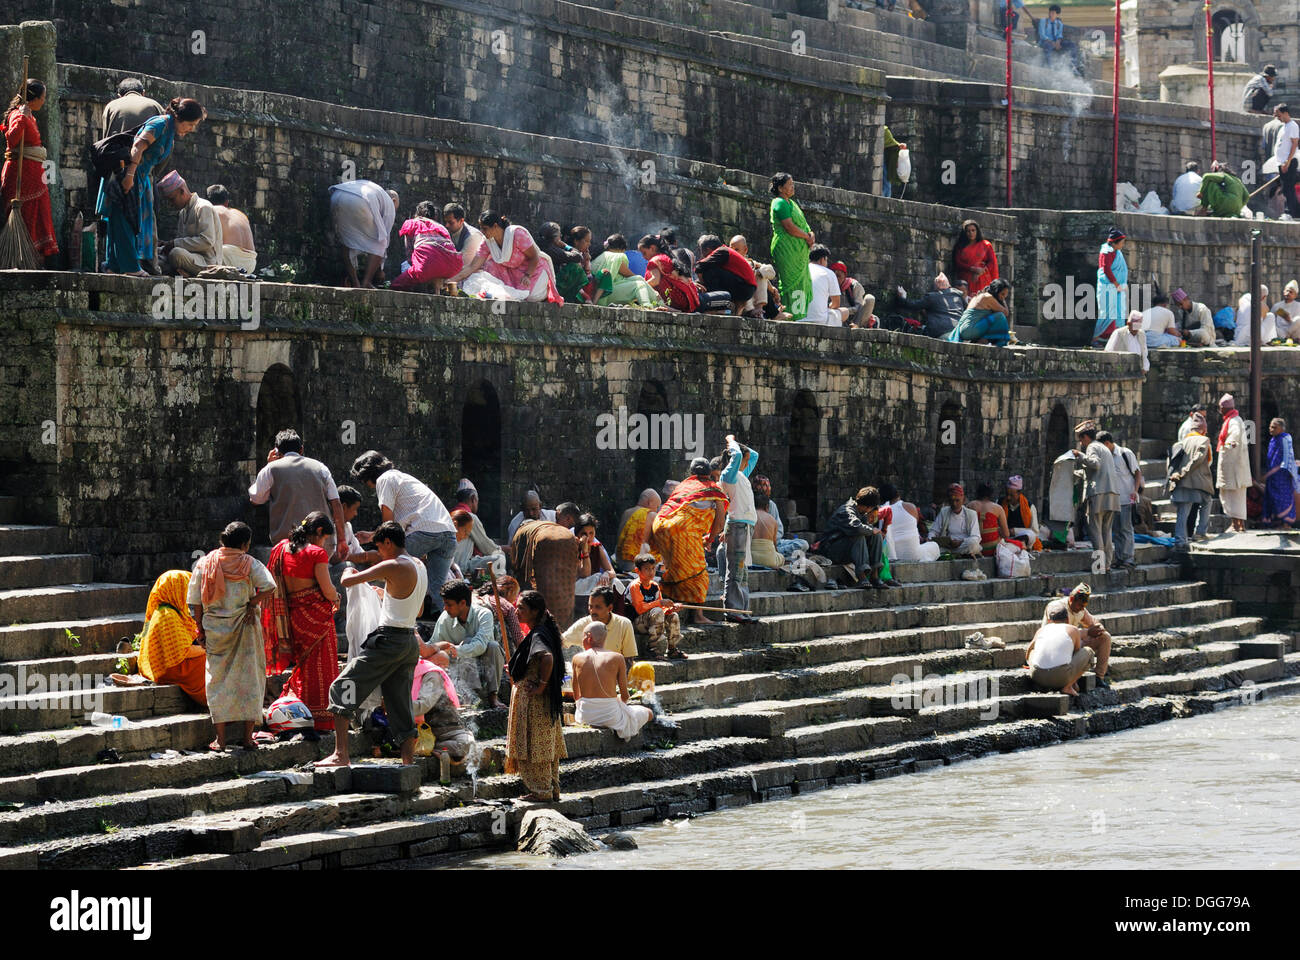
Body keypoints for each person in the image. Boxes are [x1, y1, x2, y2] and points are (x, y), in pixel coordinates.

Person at [318, 521, 424, 768]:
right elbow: (416, 609)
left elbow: (347, 582)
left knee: (341, 687)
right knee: (400, 704)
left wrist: (347, 570)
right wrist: (385, 595)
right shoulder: (419, 565)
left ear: (388, 542)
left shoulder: (393, 564)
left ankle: (340, 754)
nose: (379, 553)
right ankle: (408, 763)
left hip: (389, 641)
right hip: (409, 641)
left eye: (379, 547)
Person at [189, 521, 276, 750]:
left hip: (214, 629)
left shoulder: (204, 564)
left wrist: (200, 628)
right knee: (250, 679)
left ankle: (220, 739)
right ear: (245, 544)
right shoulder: (249, 563)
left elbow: (196, 601)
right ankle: (248, 738)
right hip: (245, 628)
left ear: (222, 541)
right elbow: (270, 587)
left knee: (216, 681)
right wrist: (251, 604)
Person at [98, 97, 205, 276]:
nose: (191, 129)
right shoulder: (161, 123)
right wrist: (130, 176)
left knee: (127, 220)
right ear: (180, 118)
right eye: (191, 124)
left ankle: (113, 266)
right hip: (129, 174)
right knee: (125, 220)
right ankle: (130, 267)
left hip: (140, 178)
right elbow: (138, 146)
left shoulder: (170, 130)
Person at [350, 450, 458, 616]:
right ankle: (451, 625)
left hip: (424, 532)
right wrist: (372, 535)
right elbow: (396, 526)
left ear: (367, 476)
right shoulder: (402, 477)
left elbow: (389, 528)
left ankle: (386, 614)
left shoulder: (384, 479)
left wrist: (375, 552)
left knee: (389, 564)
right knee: (439, 589)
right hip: (448, 533)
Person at [263, 511, 341, 732]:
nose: (324, 543)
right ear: (318, 532)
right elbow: (327, 590)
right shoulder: (317, 553)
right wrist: (337, 598)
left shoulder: (281, 549)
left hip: (293, 618)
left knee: (304, 667)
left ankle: (300, 711)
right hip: (317, 618)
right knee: (322, 668)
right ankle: (322, 719)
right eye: (325, 537)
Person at [650, 458, 729, 623]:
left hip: (660, 525)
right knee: (699, 573)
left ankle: (666, 609)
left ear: (692, 473)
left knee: (674, 570)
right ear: (709, 474)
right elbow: (720, 521)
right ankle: (698, 616)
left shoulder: (683, 485)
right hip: (682, 530)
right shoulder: (713, 488)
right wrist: (710, 540)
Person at [504, 590, 567, 801]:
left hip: (534, 701)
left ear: (535, 611)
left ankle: (541, 792)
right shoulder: (542, 631)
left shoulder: (539, 634)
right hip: (542, 701)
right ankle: (551, 789)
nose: (516, 610)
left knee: (535, 747)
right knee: (544, 746)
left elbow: (547, 658)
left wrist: (540, 685)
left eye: (521, 607)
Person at [422, 578, 505, 708]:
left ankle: (493, 696)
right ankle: (468, 696)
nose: (445, 608)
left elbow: (481, 645)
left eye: (449, 604)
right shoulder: (445, 618)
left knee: (493, 646)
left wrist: (455, 649)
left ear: (462, 603)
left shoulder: (484, 614)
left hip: (484, 662)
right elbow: (434, 642)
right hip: (460, 670)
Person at [2, 79, 58, 263]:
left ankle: (34, 258)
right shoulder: (19, 115)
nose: (44, 100)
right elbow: (12, 140)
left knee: (39, 213)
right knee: (27, 213)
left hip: (33, 174)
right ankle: (20, 258)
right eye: (43, 97)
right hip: (22, 175)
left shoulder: (29, 114)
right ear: (33, 98)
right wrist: (23, 118)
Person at [571, 621, 653, 740]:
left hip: (585, 716)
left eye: (583, 636)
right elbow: (625, 696)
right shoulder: (617, 657)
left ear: (589, 637)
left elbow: (576, 696)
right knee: (649, 712)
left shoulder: (576, 658)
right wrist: (617, 702)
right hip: (611, 717)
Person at [136, 569, 206, 705]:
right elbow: (185, 653)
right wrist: (209, 651)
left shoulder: (168, 610)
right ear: (175, 590)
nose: (189, 595)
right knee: (213, 663)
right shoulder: (167, 615)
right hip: (169, 668)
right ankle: (222, 704)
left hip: (170, 664)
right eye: (185, 589)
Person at [463, 211, 562, 302]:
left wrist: (528, 275)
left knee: (530, 297)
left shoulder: (516, 234)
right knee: (489, 265)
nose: (482, 232)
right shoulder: (488, 241)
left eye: (484, 228)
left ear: (495, 226)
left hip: (533, 269)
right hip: (512, 273)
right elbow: (473, 266)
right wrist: (453, 280)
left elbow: (534, 256)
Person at [713, 435, 760, 623]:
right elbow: (739, 456)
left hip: (746, 528)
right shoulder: (728, 475)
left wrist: (738, 447)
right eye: (743, 459)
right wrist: (731, 441)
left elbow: (754, 455)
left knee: (743, 572)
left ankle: (742, 610)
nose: (746, 462)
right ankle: (733, 610)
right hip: (738, 526)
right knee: (735, 570)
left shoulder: (740, 475)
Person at [512, 512, 580, 631]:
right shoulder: (565, 533)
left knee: (544, 590)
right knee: (566, 590)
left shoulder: (522, 533)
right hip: (567, 541)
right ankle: (564, 631)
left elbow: (518, 566)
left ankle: (543, 628)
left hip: (543, 545)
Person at [818, 486, 894, 589]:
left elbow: (867, 528)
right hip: (831, 551)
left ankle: (874, 576)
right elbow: (856, 528)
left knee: (876, 536)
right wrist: (871, 530)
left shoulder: (861, 512)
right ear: (868, 507)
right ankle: (862, 577)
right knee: (859, 535)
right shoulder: (846, 511)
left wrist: (874, 532)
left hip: (847, 550)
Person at [329, 179, 397, 288]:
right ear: (394, 201)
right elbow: (383, 240)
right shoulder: (390, 205)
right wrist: (380, 270)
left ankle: (354, 282)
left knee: (346, 242)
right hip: (361, 200)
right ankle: (365, 283)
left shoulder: (378, 192)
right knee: (380, 244)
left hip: (337, 196)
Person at [1041, 583, 1112, 685]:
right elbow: (1060, 634)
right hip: (1054, 648)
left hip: (1071, 645)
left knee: (1105, 637)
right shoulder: (1057, 607)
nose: (1082, 608)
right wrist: (1087, 632)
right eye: (1080, 605)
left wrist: (1099, 628)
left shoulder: (1080, 609)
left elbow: (1093, 622)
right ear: (1071, 599)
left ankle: (1099, 677)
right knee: (1086, 650)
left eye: (1084, 606)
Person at [1073, 421, 1119, 572]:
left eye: (1081, 439)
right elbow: (1097, 471)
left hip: (1098, 494)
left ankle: (1099, 565)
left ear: (1086, 437)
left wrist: (1079, 455)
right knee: (1106, 530)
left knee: (1095, 530)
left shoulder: (1092, 447)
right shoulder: (1104, 448)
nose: (1081, 443)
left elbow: (1095, 464)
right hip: (1112, 493)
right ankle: (1107, 564)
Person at [156, 172, 222, 276]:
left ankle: (184, 272)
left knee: (175, 254)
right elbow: (182, 241)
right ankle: (181, 271)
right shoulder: (183, 212)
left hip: (207, 262)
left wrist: (174, 244)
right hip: (190, 257)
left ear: (182, 191)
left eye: (172, 199)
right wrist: (166, 245)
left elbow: (207, 241)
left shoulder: (203, 207)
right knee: (155, 255)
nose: (171, 204)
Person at [769, 172, 815, 321]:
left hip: (799, 251)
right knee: (790, 283)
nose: (793, 186)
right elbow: (789, 226)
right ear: (781, 188)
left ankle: (799, 316)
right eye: (790, 184)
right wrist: (807, 237)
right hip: (786, 249)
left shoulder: (792, 203)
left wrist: (811, 233)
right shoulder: (779, 202)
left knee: (801, 283)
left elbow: (804, 224)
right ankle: (789, 316)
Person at [1026, 602, 1096, 696]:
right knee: (1088, 652)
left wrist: (1032, 664)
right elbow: (1076, 653)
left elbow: (1028, 652)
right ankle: (1068, 686)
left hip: (1036, 676)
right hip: (1060, 677)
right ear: (1067, 619)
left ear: (1050, 620)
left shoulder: (1041, 630)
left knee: (1033, 651)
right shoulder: (1073, 629)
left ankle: (1043, 684)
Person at [391, 199, 462, 293]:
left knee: (395, 286)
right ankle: (436, 290)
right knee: (433, 273)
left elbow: (409, 254)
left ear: (417, 214)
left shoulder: (412, 223)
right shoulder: (441, 227)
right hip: (454, 265)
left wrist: (420, 273)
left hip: (428, 265)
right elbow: (447, 248)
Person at [628, 553, 685, 659]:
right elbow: (640, 609)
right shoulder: (635, 586)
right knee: (657, 611)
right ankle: (652, 649)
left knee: (673, 615)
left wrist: (671, 608)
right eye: (647, 569)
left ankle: (672, 649)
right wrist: (660, 603)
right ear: (638, 571)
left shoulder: (654, 586)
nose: (651, 572)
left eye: (653, 568)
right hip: (637, 622)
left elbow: (662, 609)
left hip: (652, 619)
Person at [1168, 413, 1213, 545]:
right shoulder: (1204, 440)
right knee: (1207, 501)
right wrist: (1185, 471)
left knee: (1183, 511)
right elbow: (1198, 459)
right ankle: (1200, 533)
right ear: (1203, 430)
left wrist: (1177, 475)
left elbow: (1171, 462)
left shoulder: (1180, 443)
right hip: (1199, 482)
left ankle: (1180, 541)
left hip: (1182, 482)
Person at [561, 586, 638, 659]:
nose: (592, 611)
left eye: (598, 607)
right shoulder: (583, 624)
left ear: (610, 608)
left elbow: (629, 658)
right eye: (590, 606)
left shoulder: (624, 624)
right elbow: (562, 641)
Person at [1102, 431, 1141, 569]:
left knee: (1126, 529)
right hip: (1112, 499)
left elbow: (1137, 473)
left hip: (1126, 497)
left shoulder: (1125, 453)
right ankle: (1119, 558)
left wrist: (1135, 491)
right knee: (1116, 529)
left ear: (1107, 443)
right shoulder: (1105, 456)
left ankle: (1128, 559)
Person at [591, 234, 662, 308]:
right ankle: (648, 306)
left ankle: (659, 303)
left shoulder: (600, 256)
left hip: (598, 294)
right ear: (622, 250)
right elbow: (631, 276)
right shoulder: (617, 257)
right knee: (639, 284)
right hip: (605, 295)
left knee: (639, 279)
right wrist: (653, 292)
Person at [879, 483, 940, 563]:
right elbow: (915, 526)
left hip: (891, 554)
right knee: (934, 545)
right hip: (913, 555)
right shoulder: (910, 507)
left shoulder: (880, 512)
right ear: (898, 494)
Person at [697, 234, 757, 314]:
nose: (703, 256)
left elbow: (699, 266)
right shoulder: (725, 251)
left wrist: (702, 284)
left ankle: (715, 303)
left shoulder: (722, 251)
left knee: (709, 271)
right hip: (747, 288)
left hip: (745, 287)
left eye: (703, 253)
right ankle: (725, 305)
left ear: (708, 250)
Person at [1216, 394, 1251, 532]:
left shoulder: (1234, 421)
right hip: (1234, 466)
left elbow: (1234, 437)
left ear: (1224, 408)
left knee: (1232, 496)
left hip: (1233, 467)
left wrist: (1228, 445)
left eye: (1220, 408)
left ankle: (1236, 524)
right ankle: (1238, 524)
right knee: (1235, 496)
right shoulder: (1233, 419)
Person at [205, 184, 257, 273]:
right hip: (251, 262)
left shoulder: (212, 210)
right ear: (227, 202)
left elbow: (205, 240)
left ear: (208, 202)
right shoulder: (241, 214)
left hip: (230, 260)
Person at [946, 279, 1012, 346]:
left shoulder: (981, 296)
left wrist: (1002, 297)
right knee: (1000, 316)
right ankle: (995, 342)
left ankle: (983, 340)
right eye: (1002, 294)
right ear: (996, 291)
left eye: (1005, 295)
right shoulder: (987, 297)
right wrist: (1003, 300)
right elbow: (1005, 313)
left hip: (965, 330)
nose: (1003, 297)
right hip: (969, 330)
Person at [898, 272, 964, 338]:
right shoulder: (958, 295)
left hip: (939, 331)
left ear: (936, 286)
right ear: (949, 285)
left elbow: (914, 305)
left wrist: (902, 298)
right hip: (958, 330)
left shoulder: (932, 297)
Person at [730, 234, 781, 319]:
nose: (734, 252)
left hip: (753, 301)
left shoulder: (751, 263)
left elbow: (771, 273)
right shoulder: (729, 262)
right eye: (732, 249)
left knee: (761, 272)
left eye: (737, 250)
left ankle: (759, 309)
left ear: (745, 250)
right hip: (741, 303)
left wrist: (772, 289)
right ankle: (754, 311)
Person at [1262, 418, 1298, 528]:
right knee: (1272, 498)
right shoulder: (1273, 440)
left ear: (1282, 429)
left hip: (1282, 475)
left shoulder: (1285, 438)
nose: (1271, 429)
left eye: (1274, 427)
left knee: (1283, 498)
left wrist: (1271, 473)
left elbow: (1286, 458)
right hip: (1272, 476)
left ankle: (1287, 524)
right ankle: (1278, 523)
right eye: (1270, 426)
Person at [539, 221, 588, 304]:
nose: (561, 236)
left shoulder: (537, 244)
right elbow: (578, 257)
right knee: (575, 268)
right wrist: (565, 246)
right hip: (547, 287)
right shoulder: (552, 249)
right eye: (559, 235)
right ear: (554, 237)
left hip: (538, 284)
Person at [928, 483, 981, 557]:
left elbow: (976, 537)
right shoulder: (944, 512)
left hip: (964, 545)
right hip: (947, 547)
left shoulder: (971, 514)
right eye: (951, 501)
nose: (954, 504)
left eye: (957, 500)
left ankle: (954, 554)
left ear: (963, 499)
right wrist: (930, 539)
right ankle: (958, 554)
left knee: (973, 544)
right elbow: (934, 531)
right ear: (948, 500)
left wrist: (961, 541)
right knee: (931, 547)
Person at [615, 488, 662, 571]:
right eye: (657, 506)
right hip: (637, 563)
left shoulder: (626, 512)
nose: (657, 509)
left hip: (620, 561)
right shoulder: (652, 515)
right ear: (649, 503)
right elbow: (660, 543)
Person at [1095, 228, 1128, 342]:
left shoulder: (1116, 252)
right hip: (1107, 286)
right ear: (1114, 243)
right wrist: (1116, 283)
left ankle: (1114, 338)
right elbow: (1106, 269)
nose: (1123, 245)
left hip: (1117, 287)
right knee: (1107, 312)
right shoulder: (1106, 252)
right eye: (1122, 242)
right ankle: (1097, 337)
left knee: (1118, 311)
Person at [444, 202, 488, 283]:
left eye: (450, 222)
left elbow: (464, 265)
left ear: (461, 221)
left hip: (474, 277)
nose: (447, 225)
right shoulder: (448, 231)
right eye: (445, 222)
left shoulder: (472, 236)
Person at [951, 219, 998, 295]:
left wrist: (981, 272)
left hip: (982, 278)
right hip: (966, 278)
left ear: (977, 231)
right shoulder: (960, 246)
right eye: (968, 231)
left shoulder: (986, 245)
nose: (971, 233)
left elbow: (992, 262)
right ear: (965, 233)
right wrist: (973, 269)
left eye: (973, 230)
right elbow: (958, 262)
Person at [574, 511, 615, 595]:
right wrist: (584, 551)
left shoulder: (597, 548)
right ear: (577, 534)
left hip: (594, 588)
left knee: (615, 582)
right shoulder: (573, 549)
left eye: (591, 533)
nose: (589, 537)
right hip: (578, 591)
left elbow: (612, 572)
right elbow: (585, 575)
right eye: (584, 534)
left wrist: (606, 574)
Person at [1271, 103, 1300, 220]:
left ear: (1285, 113)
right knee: (1286, 189)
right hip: (1282, 163)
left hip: (1288, 163)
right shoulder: (1284, 126)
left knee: (1288, 189)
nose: (1277, 117)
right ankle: (1291, 213)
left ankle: (1292, 213)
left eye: (1278, 114)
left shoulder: (1292, 126)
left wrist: (1287, 162)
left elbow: (1294, 144)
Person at [967, 482, 1011, 556]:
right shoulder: (998, 508)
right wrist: (997, 530)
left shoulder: (970, 505)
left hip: (974, 548)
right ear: (991, 494)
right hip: (992, 550)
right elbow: (1006, 534)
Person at [802, 245, 841, 326]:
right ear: (822, 260)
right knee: (845, 312)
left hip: (798, 317)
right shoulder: (828, 273)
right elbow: (836, 304)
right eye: (826, 260)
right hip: (819, 320)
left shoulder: (800, 271)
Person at [1000, 476, 1042, 551]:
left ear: (1019, 493)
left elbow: (1035, 532)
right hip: (1004, 538)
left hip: (1022, 539)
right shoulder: (1000, 503)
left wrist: (1014, 531)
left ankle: (1018, 546)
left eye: (1012, 495)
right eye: (1007, 494)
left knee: (1031, 535)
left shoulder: (1030, 507)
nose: (1008, 498)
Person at [830, 261, 875, 327]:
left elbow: (859, 307)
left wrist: (845, 311)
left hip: (856, 319)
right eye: (834, 276)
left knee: (870, 298)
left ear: (844, 275)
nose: (836, 279)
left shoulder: (854, 285)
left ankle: (857, 326)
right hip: (838, 320)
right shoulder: (830, 286)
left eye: (838, 276)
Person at [1037, 5, 1077, 71]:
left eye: (1053, 13)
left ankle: (1073, 67)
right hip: (1046, 41)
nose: (1051, 14)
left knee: (1071, 45)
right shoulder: (1043, 21)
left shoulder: (1059, 23)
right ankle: (1049, 67)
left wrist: (1058, 42)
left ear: (1057, 15)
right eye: (1050, 12)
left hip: (1056, 42)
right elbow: (1042, 35)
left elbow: (1059, 35)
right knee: (1047, 47)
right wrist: (1052, 42)